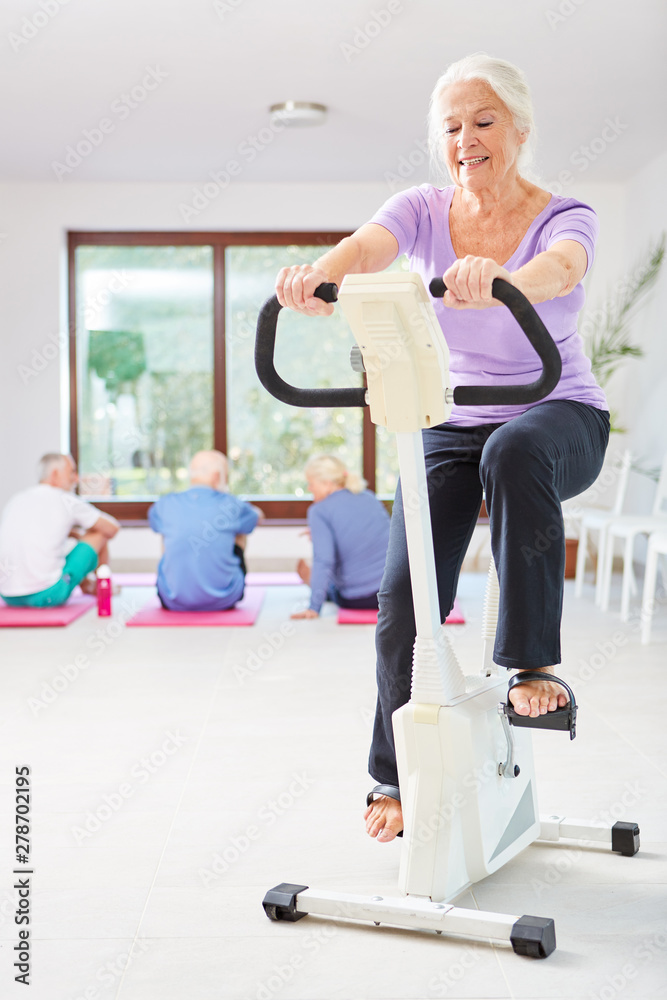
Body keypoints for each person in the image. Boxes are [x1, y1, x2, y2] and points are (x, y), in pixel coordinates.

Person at [275, 53, 610, 841]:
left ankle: (531, 664)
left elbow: (562, 268)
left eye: (483, 120)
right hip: (453, 419)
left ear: (519, 129)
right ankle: (390, 774)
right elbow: (364, 248)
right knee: (405, 596)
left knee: (515, 453)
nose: (466, 139)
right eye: (452, 126)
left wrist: (504, 278)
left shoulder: (565, 213)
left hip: (556, 414)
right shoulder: (422, 208)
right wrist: (316, 282)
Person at [148, 450, 263, 612]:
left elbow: (154, 522)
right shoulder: (233, 505)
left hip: (172, 600)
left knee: (167, 532)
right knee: (240, 530)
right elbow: (257, 517)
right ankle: (221, 583)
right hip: (225, 599)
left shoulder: (164, 504)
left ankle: (179, 584)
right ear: (217, 476)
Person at [0, 453, 120, 607]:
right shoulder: (65, 499)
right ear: (55, 474)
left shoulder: (17, 498)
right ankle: (102, 586)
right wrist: (82, 533)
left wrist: (72, 533)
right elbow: (112, 528)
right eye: (71, 473)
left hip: (8, 597)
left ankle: (88, 583)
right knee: (99, 532)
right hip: (48, 596)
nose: (76, 479)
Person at [291, 455, 390, 619]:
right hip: (395, 594)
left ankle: (320, 586)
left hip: (361, 598)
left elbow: (324, 560)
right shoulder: (369, 497)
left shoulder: (319, 510)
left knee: (332, 581)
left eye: (311, 483)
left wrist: (313, 608)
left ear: (327, 484)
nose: (309, 489)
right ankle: (320, 583)